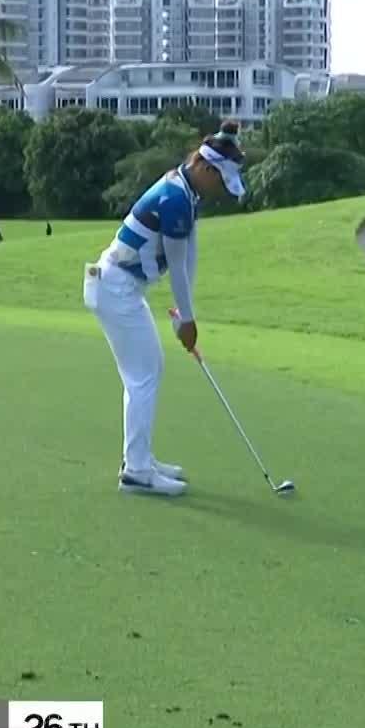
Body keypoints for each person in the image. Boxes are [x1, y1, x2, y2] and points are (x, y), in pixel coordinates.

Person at [82, 122, 247, 496]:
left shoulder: (186, 194)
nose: (221, 191)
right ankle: (137, 471)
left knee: (146, 372)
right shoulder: (175, 199)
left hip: (123, 287)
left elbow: (188, 256)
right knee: (143, 376)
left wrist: (184, 313)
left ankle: (139, 459)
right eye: (220, 181)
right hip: (115, 288)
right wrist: (187, 321)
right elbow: (176, 263)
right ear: (205, 168)